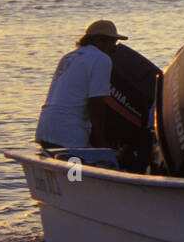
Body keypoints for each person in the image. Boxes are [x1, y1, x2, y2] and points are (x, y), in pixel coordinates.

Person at [35, 19, 126, 148]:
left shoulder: (69, 57)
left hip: (45, 128)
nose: (114, 47)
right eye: (112, 42)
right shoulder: (101, 59)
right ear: (99, 41)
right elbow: (96, 102)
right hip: (69, 133)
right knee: (83, 161)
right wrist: (101, 142)